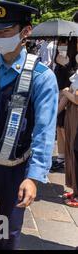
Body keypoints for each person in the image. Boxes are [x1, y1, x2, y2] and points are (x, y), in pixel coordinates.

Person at [0, 1, 58, 250]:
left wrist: (34, 177)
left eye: (5, 32)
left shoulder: (41, 76)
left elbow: (44, 130)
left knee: (5, 225)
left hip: (14, 168)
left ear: (26, 32)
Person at [51, 37, 78, 172]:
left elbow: (71, 83)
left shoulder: (73, 61)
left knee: (65, 130)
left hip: (69, 99)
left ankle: (68, 159)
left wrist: (66, 64)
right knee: (59, 128)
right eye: (61, 43)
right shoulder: (57, 59)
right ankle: (61, 158)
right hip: (59, 96)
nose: (62, 46)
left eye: (65, 43)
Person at [59, 70, 78, 207]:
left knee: (76, 152)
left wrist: (65, 92)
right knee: (72, 151)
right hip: (72, 113)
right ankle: (76, 191)